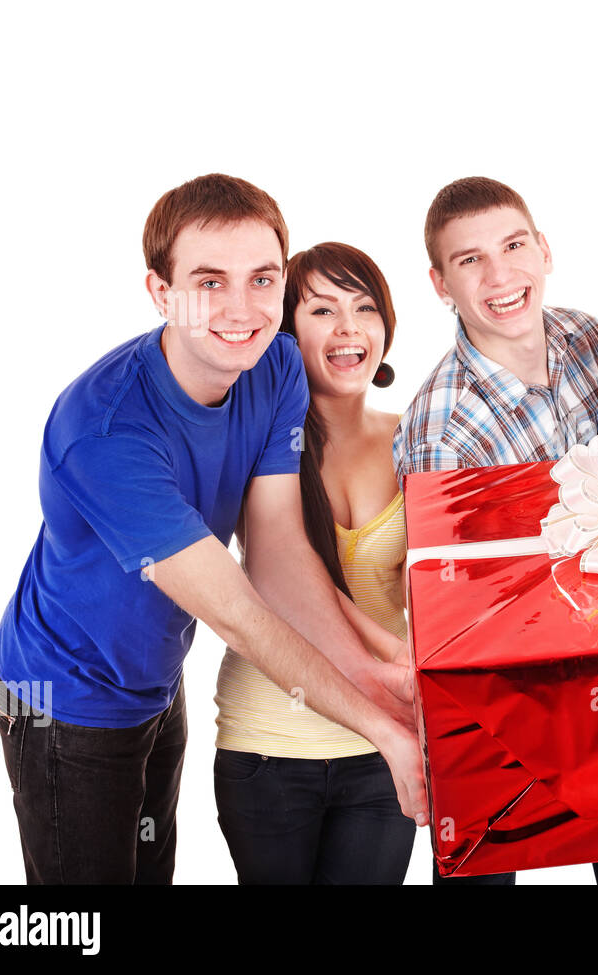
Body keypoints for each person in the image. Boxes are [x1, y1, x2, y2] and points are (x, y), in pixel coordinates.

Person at [0, 174, 426, 885]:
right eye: (208, 282)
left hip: (153, 682)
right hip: (55, 693)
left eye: (262, 279)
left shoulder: (275, 363)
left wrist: (376, 670)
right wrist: (380, 724)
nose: (241, 308)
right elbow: (240, 615)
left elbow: (280, 556)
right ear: (160, 292)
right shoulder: (105, 432)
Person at [394, 176, 598, 884]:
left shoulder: (592, 341)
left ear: (544, 250)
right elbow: (449, 609)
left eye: (514, 245)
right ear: (439, 283)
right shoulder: (440, 424)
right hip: (513, 697)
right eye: (470, 260)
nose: (500, 274)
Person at [213, 242, 416, 883]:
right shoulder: (255, 439)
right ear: (284, 331)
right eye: (323, 311)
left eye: (364, 308)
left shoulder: (417, 436)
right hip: (268, 747)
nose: (349, 328)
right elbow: (278, 576)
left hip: (386, 742)